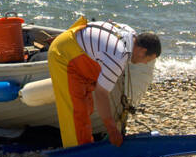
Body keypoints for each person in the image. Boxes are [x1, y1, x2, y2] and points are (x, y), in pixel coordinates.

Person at [48, 16, 161, 150]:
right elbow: (101, 94)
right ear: (142, 51)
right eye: (148, 59)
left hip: (82, 50)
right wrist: (112, 129)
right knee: (76, 110)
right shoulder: (118, 57)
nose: (146, 63)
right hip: (63, 53)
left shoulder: (130, 34)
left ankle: (87, 146)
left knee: (87, 106)